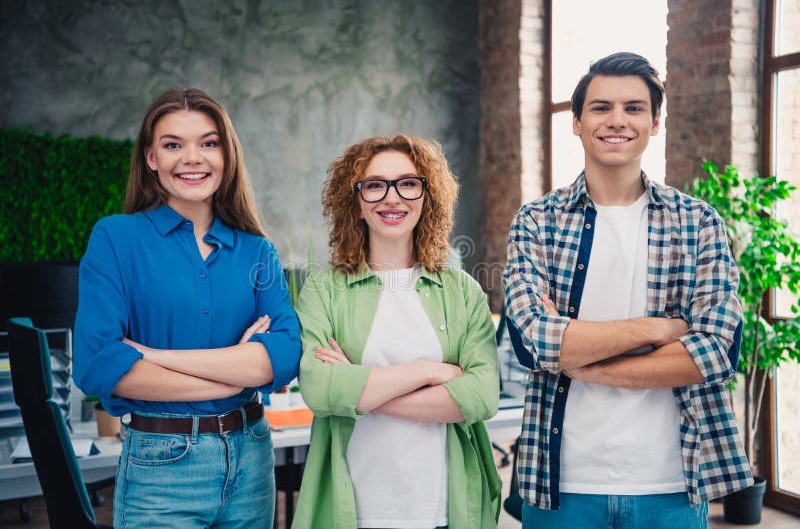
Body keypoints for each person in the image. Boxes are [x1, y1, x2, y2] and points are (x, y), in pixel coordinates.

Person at [503, 52, 753, 529]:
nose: (617, 120)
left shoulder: (698, 223)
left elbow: (717, 352)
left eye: (634, 108)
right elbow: (533, 340)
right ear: (576, 122)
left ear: (655, 122)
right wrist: (658, 329)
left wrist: (577, 357)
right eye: (600, 108)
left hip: (670, 485)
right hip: (563, 485)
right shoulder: (536, 221)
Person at [73, 88, 301, 527]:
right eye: (173, 144)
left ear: (226, 155)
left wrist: (152, 357)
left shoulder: (258, 251)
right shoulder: (116, 239)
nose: (192, 157)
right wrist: (232, 374)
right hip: (161, 468)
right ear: (150, 158)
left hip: (252, 460)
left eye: (208, 143)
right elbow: (99, 364)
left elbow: (286, 355)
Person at [292, 134, 502, 529]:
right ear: (354, 202)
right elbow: (320, 390)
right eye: (374, 185)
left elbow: (481, 397)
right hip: (354, 511)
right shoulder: (324, 290)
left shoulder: (462, 292)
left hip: (443, 511)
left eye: (408, 183)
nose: (392, 198)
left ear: (427, 197)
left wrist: (357, 390)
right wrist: (430, 372)